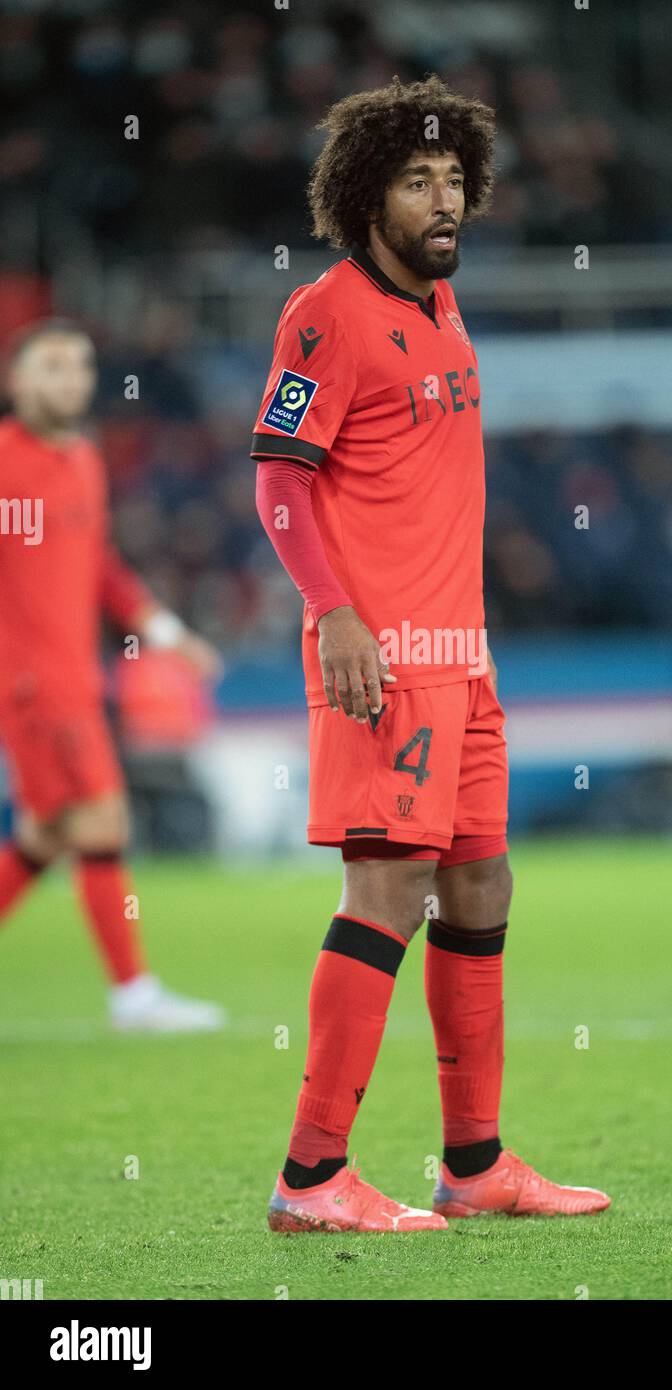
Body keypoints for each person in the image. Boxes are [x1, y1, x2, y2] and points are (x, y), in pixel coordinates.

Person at [254, 76, 610, 1232]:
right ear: (367, 195)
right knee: (389, 888)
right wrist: (335, 613)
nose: (443, 199)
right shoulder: (325, 311)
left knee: (478, 882)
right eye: (417, 181)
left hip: (465, 656)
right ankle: (312, 1179)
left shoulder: (443, 308)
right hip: (384, 660)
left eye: (454, 179)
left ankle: (474, 1162)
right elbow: (278, 480)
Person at [0, 318, 226, 1033]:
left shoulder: (83, 459)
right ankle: (134, 995)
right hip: (35, 687)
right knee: (104, 817)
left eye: (80, 368)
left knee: (45, 837)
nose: (69, 380)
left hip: (78, 676)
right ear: (17, 381)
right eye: (52, 368)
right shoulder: (5, 464)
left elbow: (99, 567)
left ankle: (135, 995)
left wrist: (166, 633)